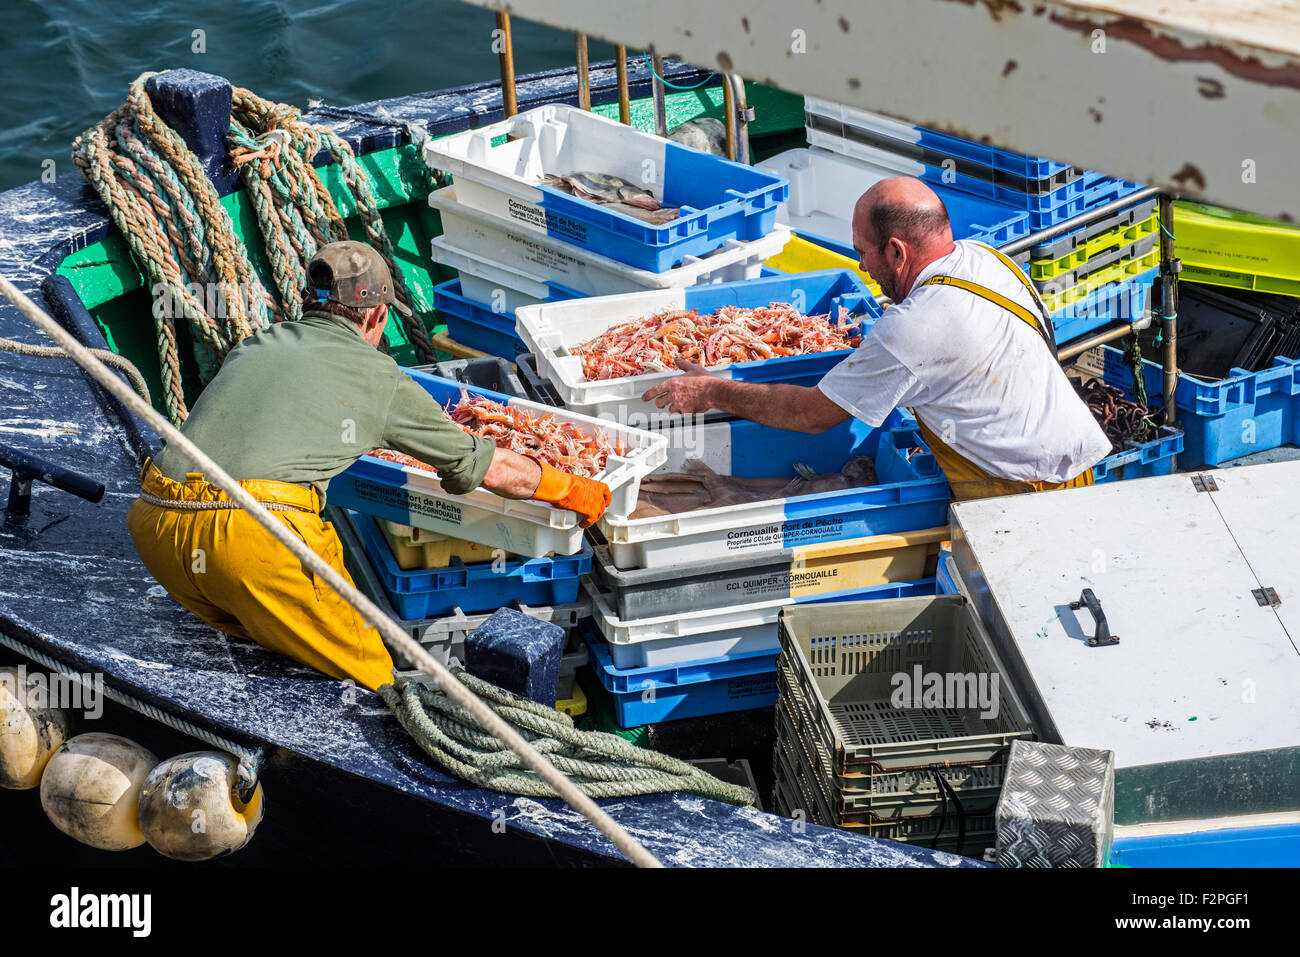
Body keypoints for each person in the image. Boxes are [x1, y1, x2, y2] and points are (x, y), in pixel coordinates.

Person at [127, 241, 610, 692]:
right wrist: (572, 490)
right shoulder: (380, 376)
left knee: (264, 655)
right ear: (377, 314)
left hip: (155, 522)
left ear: (311, 303)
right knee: (374, 683)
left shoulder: (259, 344)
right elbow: (489, 470)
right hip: (251, 540)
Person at [643, 177, 1110, 500]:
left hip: (1021, 491)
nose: (862, 267)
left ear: (896, 250)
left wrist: (711, 390)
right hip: (1076, 463)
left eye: (863, 253)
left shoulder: (914, 327)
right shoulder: (985, 259)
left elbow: (810, 416)